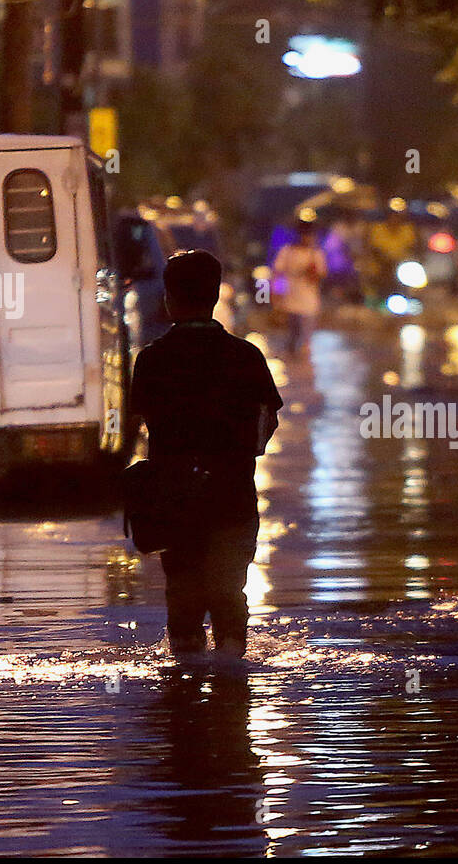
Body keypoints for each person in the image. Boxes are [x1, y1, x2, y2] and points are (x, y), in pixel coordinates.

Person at [130, 250, 283, 658]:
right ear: (216, 295)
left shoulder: (152, 359)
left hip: (174, 500)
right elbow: (266, 423)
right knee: (229, 589)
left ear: (168, 298)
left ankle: (185, 692)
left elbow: (137, 426)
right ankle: (233, 688)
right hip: (232, 497)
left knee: (183, 590)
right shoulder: (245, 356)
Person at [273, 220, 327, 358]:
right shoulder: (287, 251)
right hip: (290, 297)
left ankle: (304, 365)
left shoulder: (316, 254)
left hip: (309, 300)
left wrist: (312, 268)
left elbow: (320, 276)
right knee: (292, 333)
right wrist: (276, 294)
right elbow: (277, 273)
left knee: (306, 335)